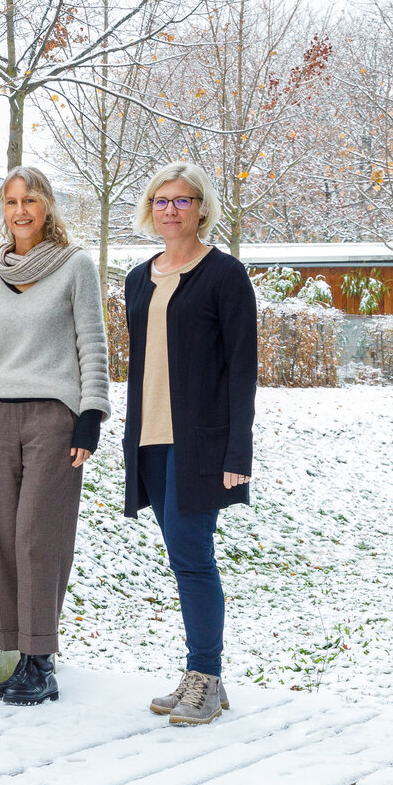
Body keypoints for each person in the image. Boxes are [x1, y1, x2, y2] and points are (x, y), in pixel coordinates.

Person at [0, 165, 110, 707]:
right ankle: (19, 657)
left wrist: (91, 413)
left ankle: (41, 661)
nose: (20, 211)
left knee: (37, 539)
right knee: (4, 540)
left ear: (47, 205)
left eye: (30, 200)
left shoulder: (75, 267)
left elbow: (92, 342)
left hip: (54, 417)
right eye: (11, 202)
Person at [124, 162, 257, 726]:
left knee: (193, 557)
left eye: (183, 200)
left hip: (199, 444)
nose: (171, 210)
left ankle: (204, 674)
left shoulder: (225, 275)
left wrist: (237, 453)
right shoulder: (138, 277)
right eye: (162, 201)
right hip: (149, 438)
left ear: (202, 207)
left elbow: (242, 369)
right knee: (182, 558)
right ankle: (206, 676)